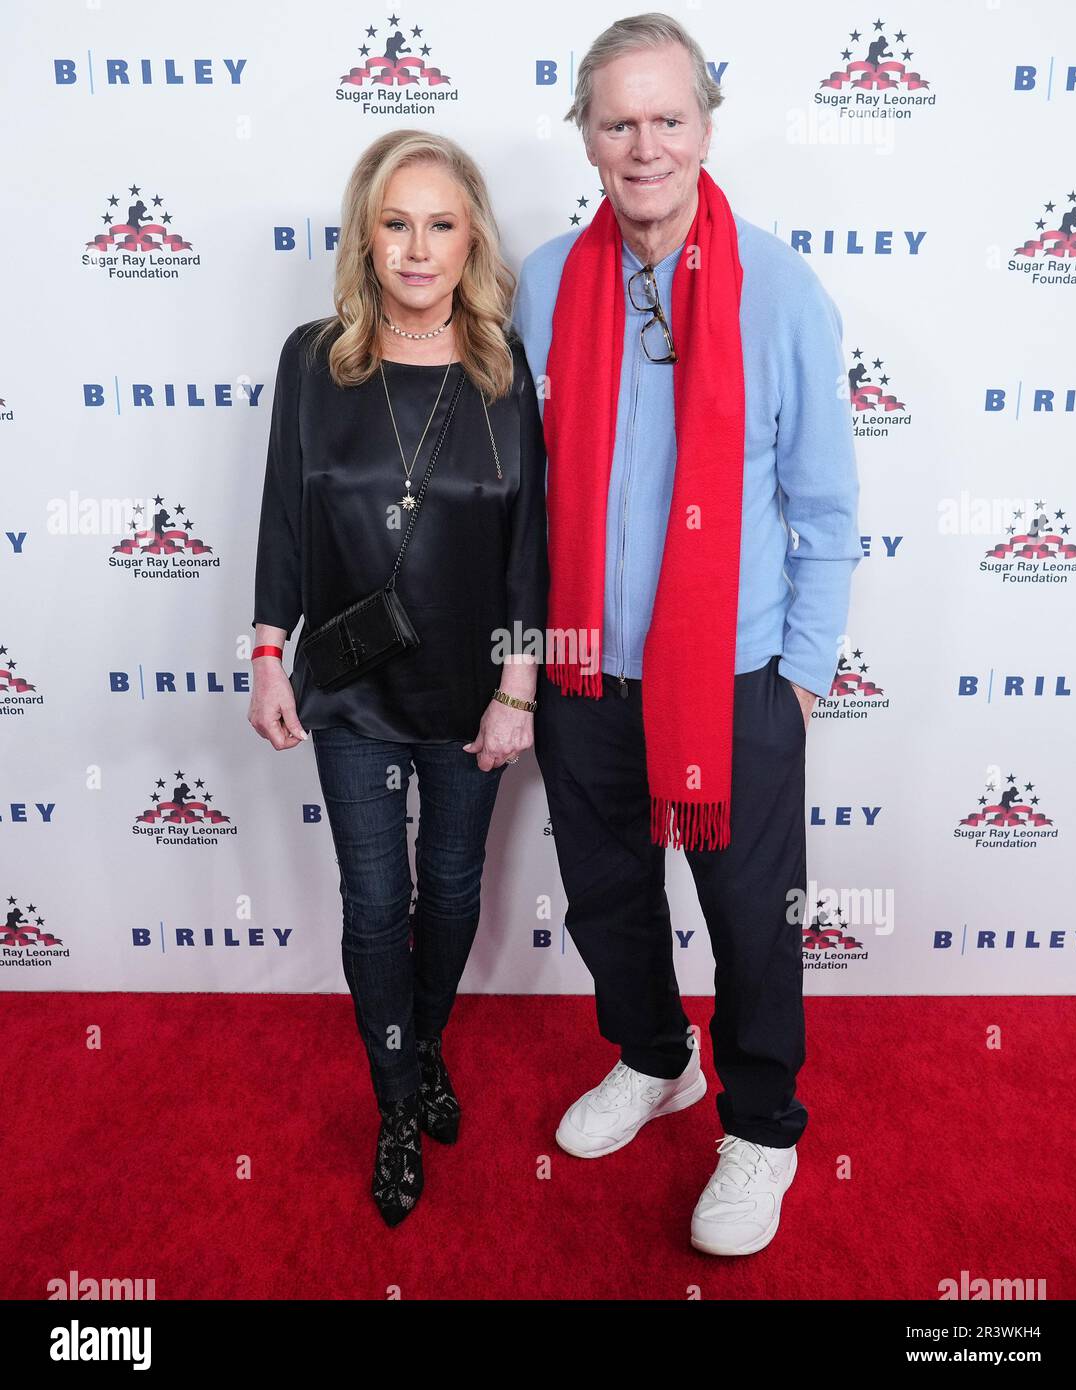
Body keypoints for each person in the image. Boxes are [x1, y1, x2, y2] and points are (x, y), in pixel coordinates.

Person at [512, 12, 861, 1256]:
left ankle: (760, 1124)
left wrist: (802, 678)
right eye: (619, 120)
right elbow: (523, 495)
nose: (644, 143)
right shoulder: (546, 281)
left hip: (733, 676)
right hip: (579, 668)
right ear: (589, 138)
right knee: (608, 897)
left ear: (706, 125)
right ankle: (654, 1058)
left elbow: (823, 503)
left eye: (668, 116)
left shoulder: (779, 285)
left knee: (752, 921)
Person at [248, 129, 548, 1227]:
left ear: (470, 238)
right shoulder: (312, 358)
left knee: (455, 889)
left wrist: (518, 689)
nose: (416, 249)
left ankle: (424, 1046)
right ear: (365, 235)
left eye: (440, 224)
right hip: (352, 691)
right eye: (394, 222)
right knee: (376, 903)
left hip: (471, 689)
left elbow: (529, 545)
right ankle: (392, 1101)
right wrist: (266, 652)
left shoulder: (503, 366)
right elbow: (284, 515)